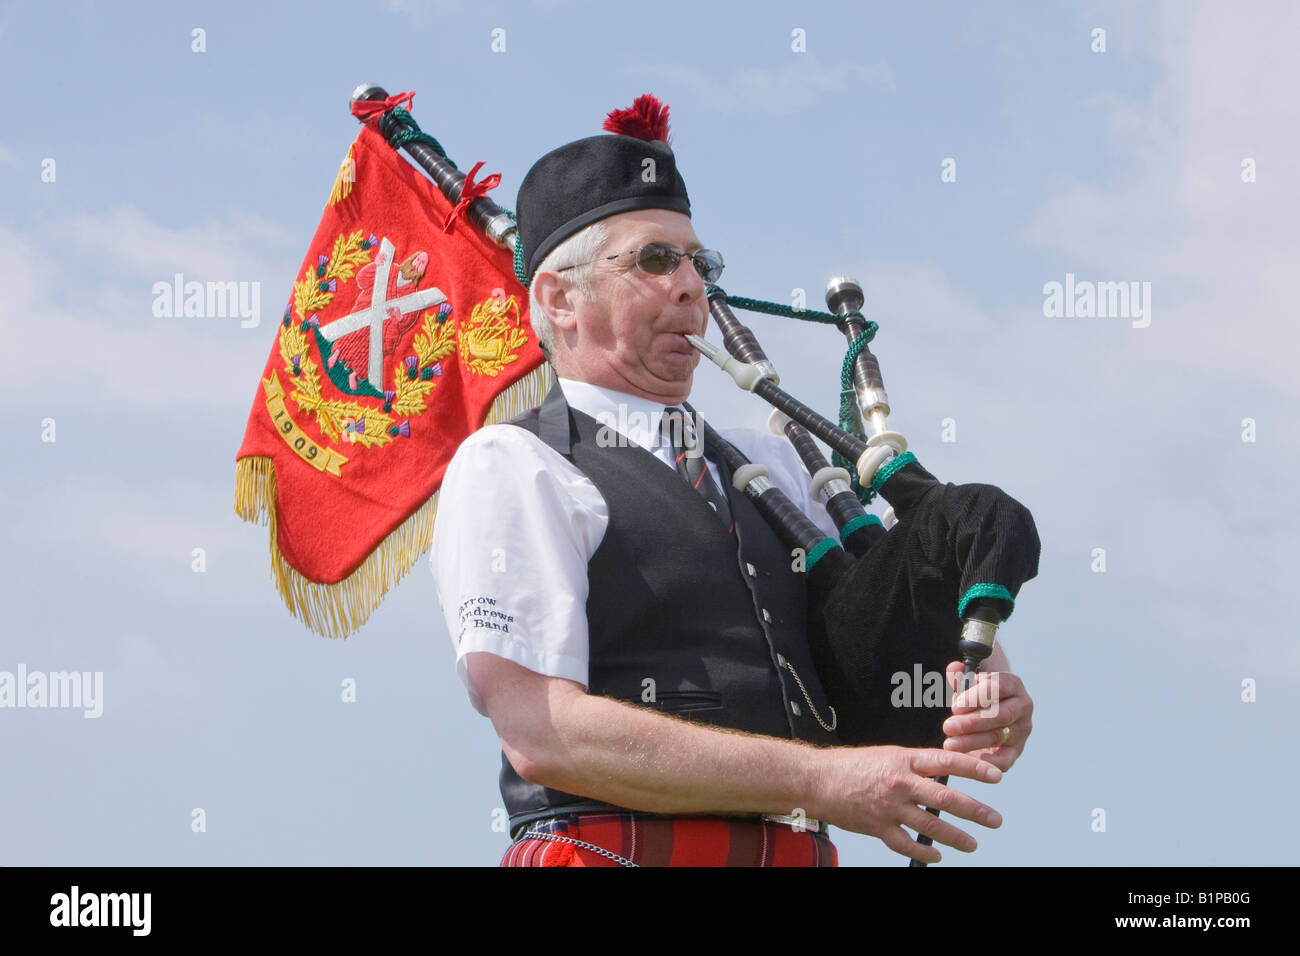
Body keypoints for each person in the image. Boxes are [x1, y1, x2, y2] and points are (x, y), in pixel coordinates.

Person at [429, 96, 1033, 867]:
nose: (692, 287)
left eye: (700, 263)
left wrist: (981, 693)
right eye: (654, 260)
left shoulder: (771, 459)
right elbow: (542, 732)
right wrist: (820, 778)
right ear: (558, 299)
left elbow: (882, 645)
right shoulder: (515, 464)